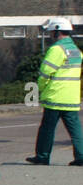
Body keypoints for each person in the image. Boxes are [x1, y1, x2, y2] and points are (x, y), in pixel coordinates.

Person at [27, 18, 83, 166]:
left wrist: (40, 88)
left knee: (47, 128)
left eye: (52, 32)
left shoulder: (56, 49)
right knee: (75, 129)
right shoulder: (76, 51)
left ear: (57, 31)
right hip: (71, 97)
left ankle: (42, 156)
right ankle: (81, 156)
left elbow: (45, 73)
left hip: (55, 95)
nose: (51, 34)